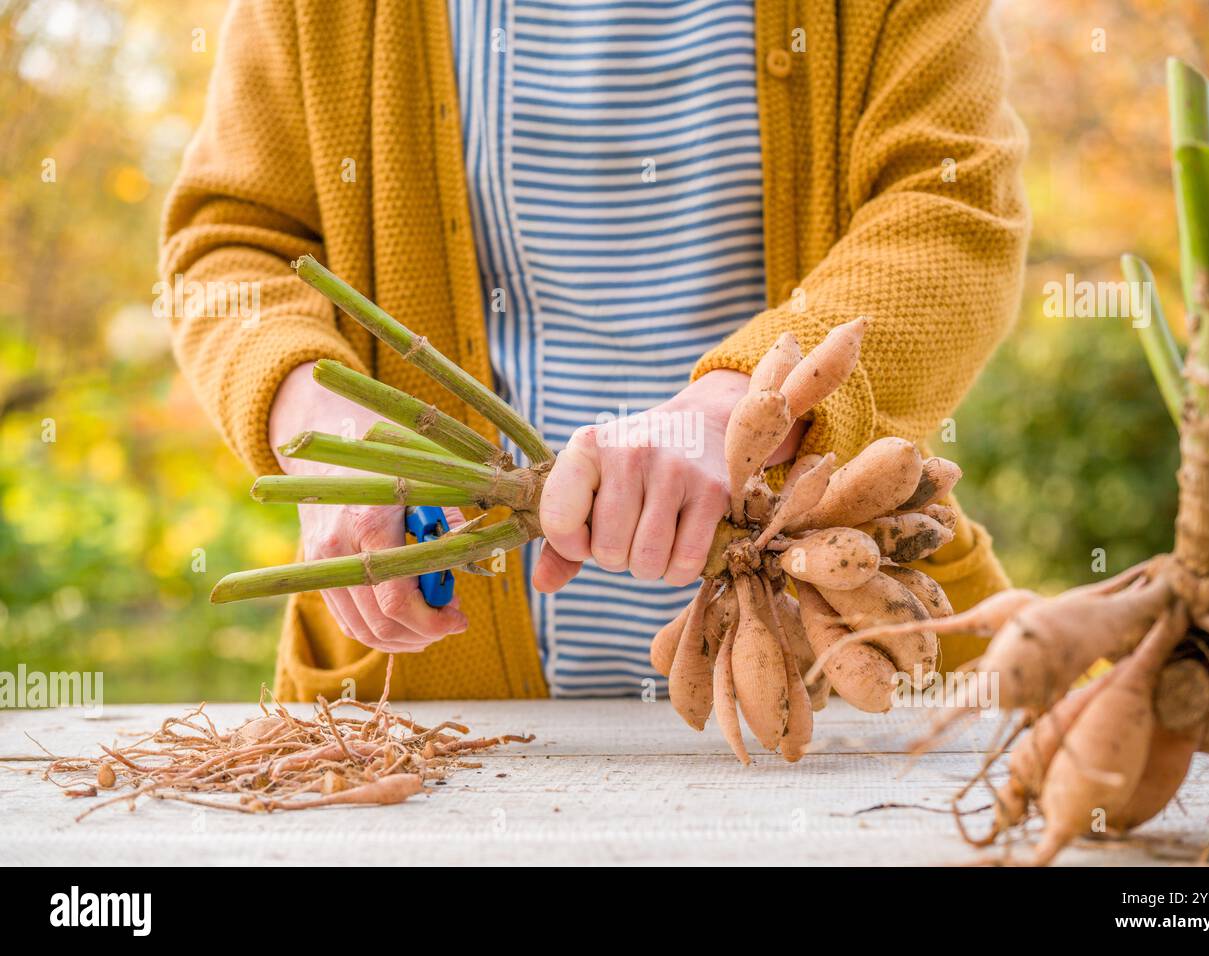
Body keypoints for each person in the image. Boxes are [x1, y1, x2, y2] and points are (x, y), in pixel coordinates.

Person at [162, 0, 1028, 702]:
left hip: (852, 648)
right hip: (423, 700)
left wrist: (744, 406)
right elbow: (230, 244)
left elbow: (953, 206)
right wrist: (317, 415)